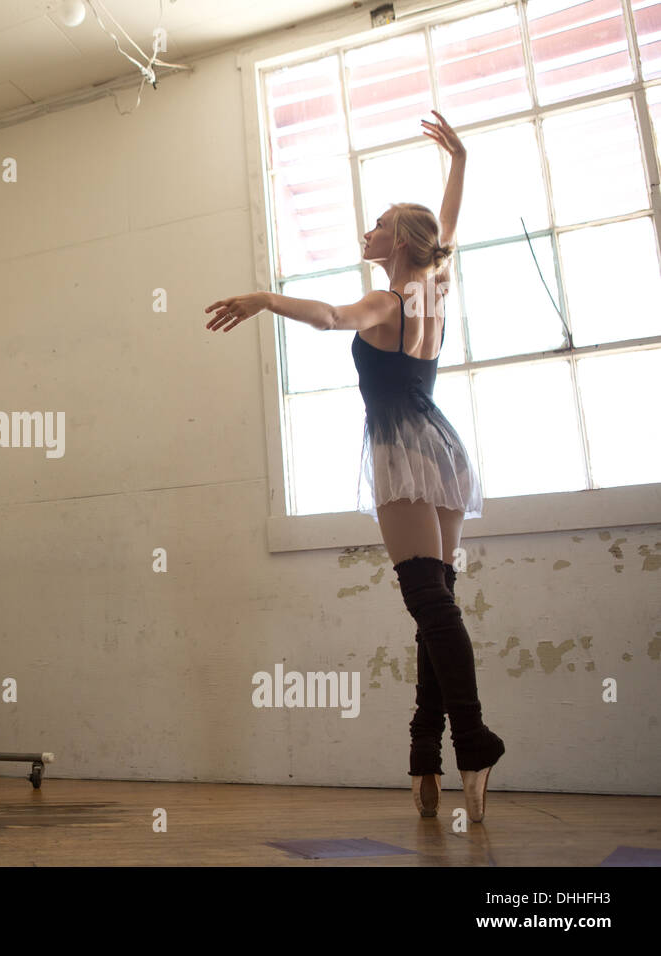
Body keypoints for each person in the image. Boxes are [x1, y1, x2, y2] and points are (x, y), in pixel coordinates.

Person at [204, 110, 504, 824]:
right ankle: (426, 756)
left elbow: (333, 318)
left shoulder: (387, 298)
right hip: (445, 451)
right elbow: (450, 229)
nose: (365, 232)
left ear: (398, 241)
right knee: (439, 605)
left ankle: (472, 739)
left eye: (376, 226)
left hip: (403, 452)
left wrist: (263, 297)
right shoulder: (433, 285)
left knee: (428, 605)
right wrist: (459, 163)